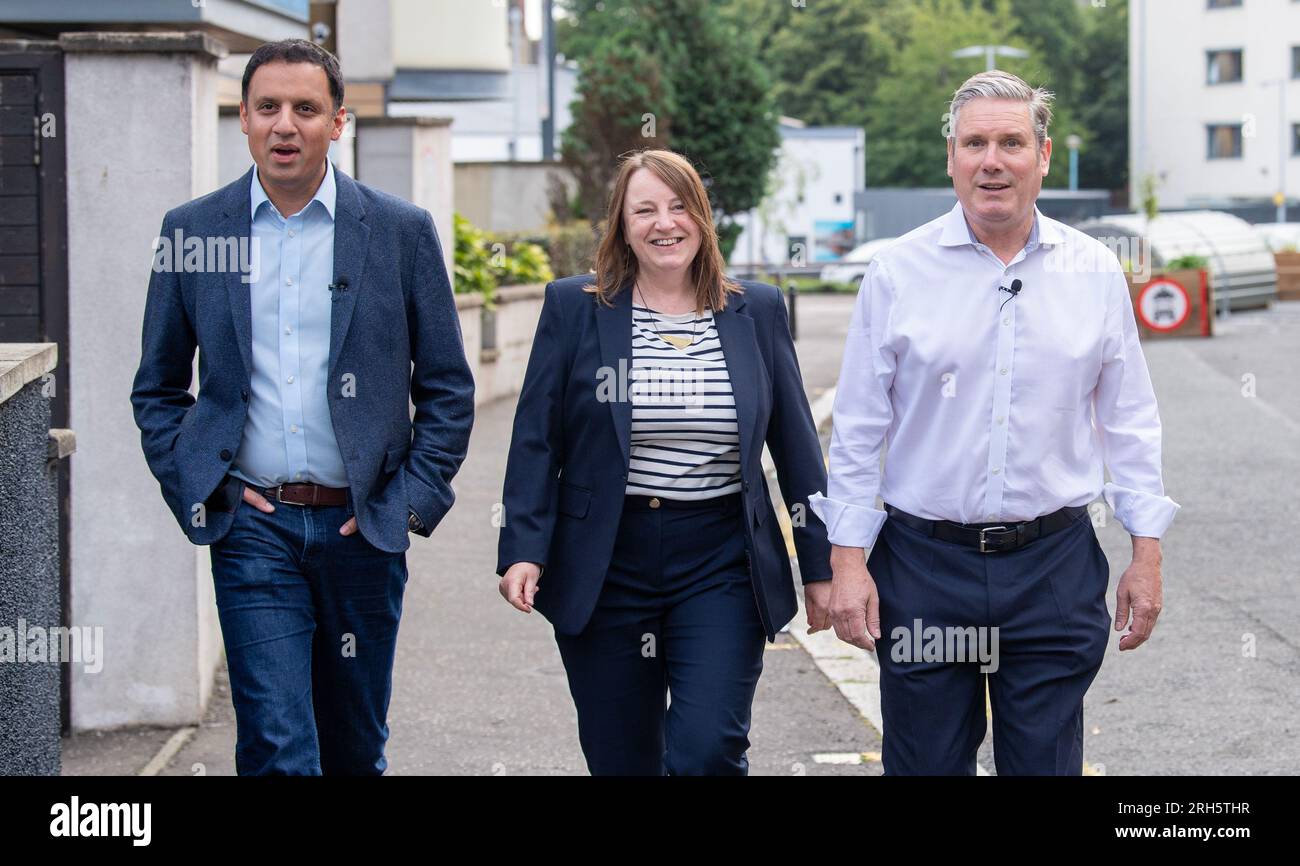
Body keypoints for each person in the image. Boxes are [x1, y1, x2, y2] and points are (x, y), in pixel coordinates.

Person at [809, 70, 1179, 776]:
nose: (992, 160)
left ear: (1042, 157)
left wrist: (1147, 551)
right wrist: (848, 560)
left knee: (1044, 764)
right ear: (950, 157)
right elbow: (857, 428)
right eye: (974, 142)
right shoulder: (895, 273)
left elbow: (1130, 420)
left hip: (1053, 570)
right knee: (924, 765)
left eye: (1012, 141)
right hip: (924, 570)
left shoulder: (1094, 270)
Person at [130, 39, 474, 775]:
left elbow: (447, 387)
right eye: (267, 108)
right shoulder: (193, 232)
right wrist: (204, 485)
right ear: (245, 120)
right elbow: (157, 389)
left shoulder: (399, 231)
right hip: (255, 531)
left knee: (354, 749)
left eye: (305, 109)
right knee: (279, 747)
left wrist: (406, 504)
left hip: (364, 530)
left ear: (337, 122)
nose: (285, 125)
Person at [496, 149, 832, 775]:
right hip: (605, 561)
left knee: (709, 748)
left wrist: (820, 565)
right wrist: (524, 546)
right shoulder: (576, 307)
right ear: (622, 226)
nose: (663, 223)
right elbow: (536, 438)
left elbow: (796, 447)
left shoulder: (754, 309)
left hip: (720, 561)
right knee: (622, 757)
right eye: (643, 209)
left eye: (679, 206)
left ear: (702, 219)